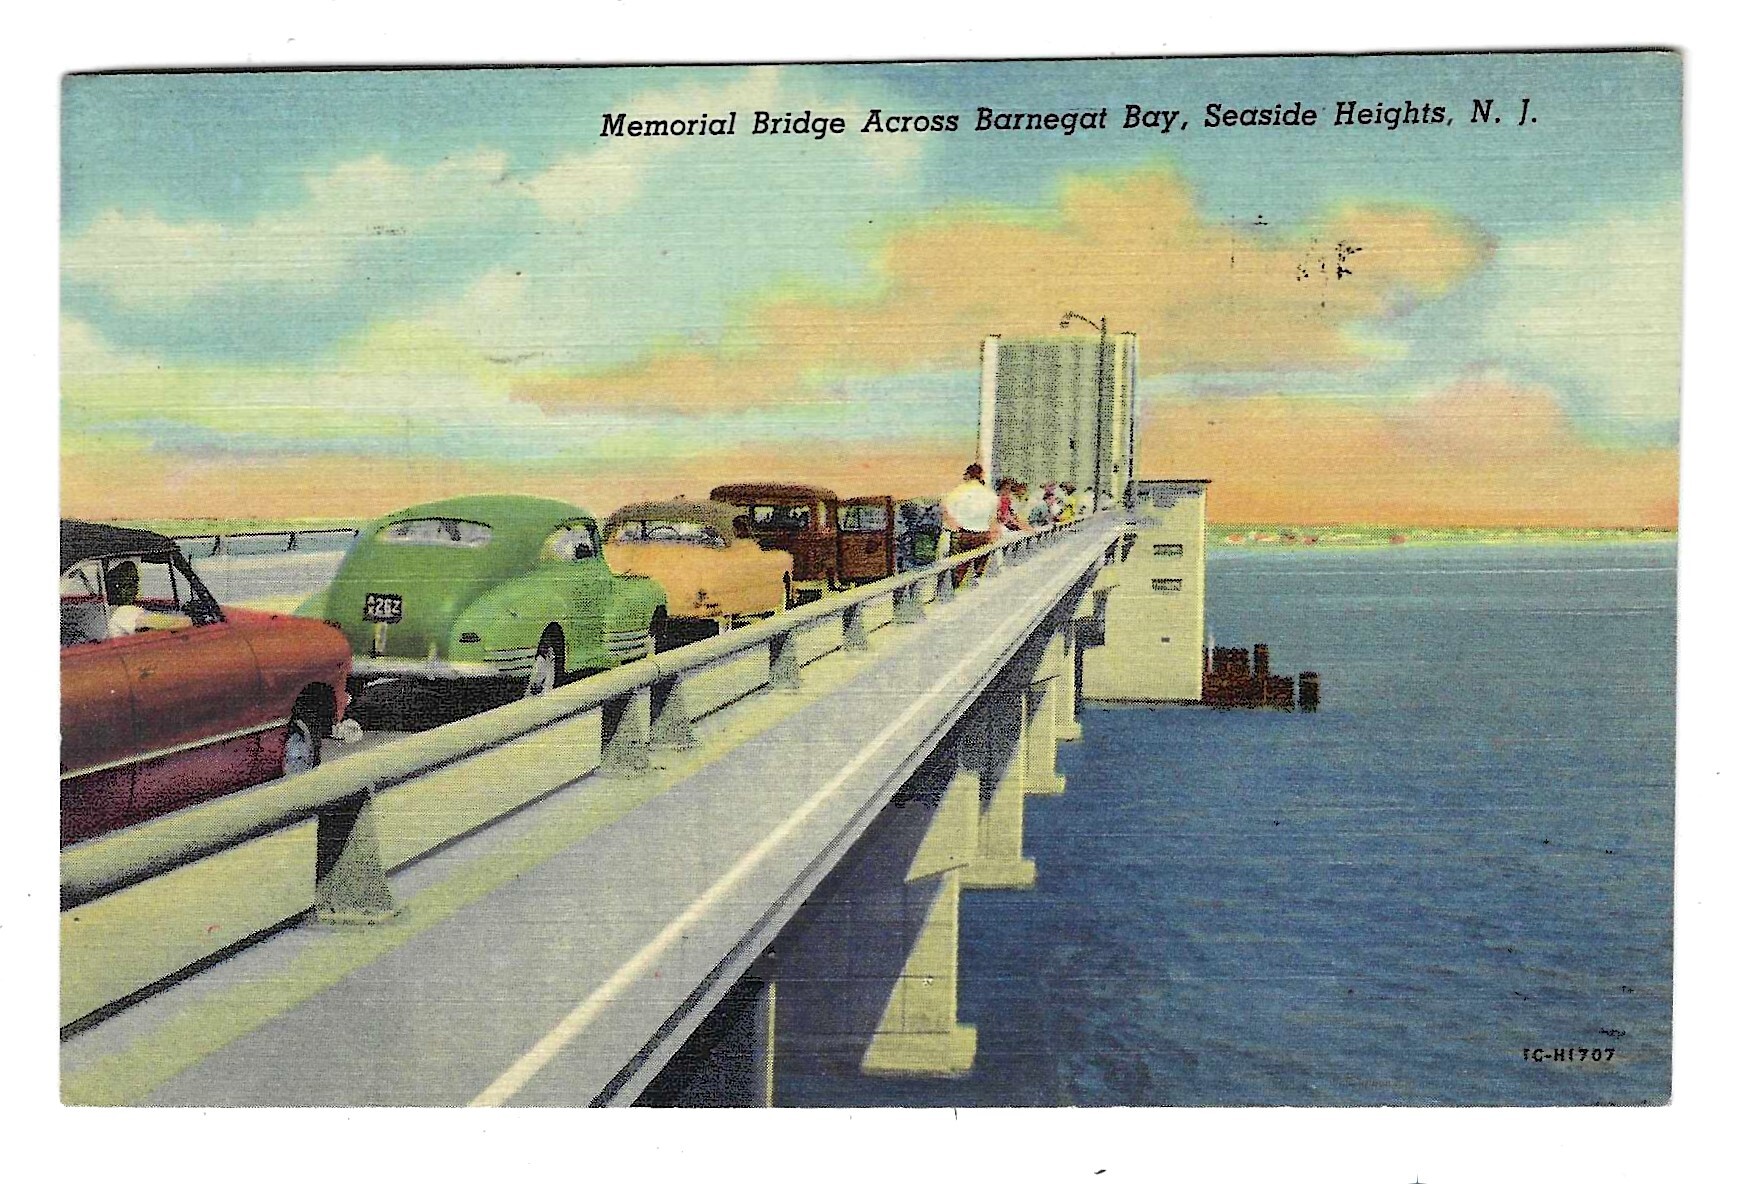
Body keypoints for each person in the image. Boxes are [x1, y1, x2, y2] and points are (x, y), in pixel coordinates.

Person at [940, 463, 998, 586]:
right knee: (977, 573)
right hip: (982, 536)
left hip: (962, 534)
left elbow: (945, 510)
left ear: (967, 475)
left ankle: (952, 591)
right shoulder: (990, 494)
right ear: (981, 475)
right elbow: (993, 519)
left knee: (956, 573)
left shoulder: (957, 491)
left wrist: (955, 525)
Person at [105, 560, 192, 637]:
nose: (135, 589)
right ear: (117, 588)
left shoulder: (112, 611)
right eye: (129, 585)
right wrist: (192, 620)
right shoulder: (124, 612)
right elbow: (165, 623)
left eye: (136, 582)